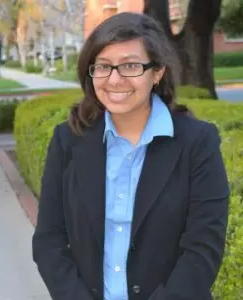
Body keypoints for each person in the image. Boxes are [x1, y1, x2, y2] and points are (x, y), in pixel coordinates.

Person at [32, 12, 230, 300]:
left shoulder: (197, 142)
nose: (115, 79)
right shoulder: (68, 140)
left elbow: (203, 249)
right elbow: (49, 241)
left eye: (130, 66)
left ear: (158, 71)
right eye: (103, 66)